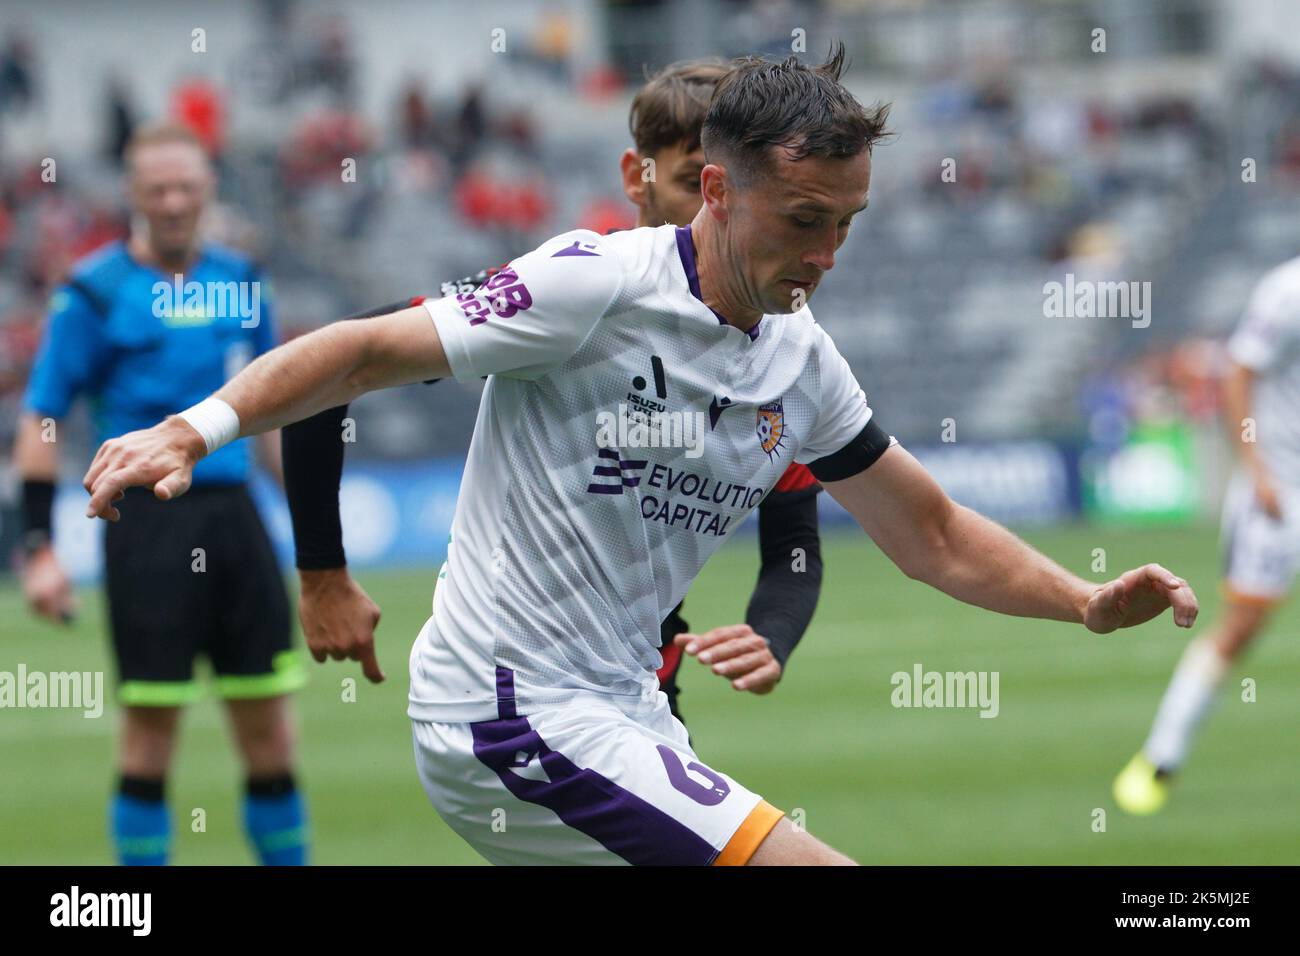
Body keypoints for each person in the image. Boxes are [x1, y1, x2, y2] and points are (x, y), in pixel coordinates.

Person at [82, 47, 1198, 866]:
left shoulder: (803, 360)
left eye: (847, 226)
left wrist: (1084, 601)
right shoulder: (595, 282)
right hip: (509, 708)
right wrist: (194, 427)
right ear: (715, 190)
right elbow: (361, 348)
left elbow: (935, 533)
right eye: (804, 219)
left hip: (626, 709)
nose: (825, 255)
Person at [281, 59, 822, 723]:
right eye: (693, 184)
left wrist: (771, 634)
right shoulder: (568, 293)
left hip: (641, 687)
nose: (720, 214)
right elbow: (336, 362)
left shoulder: (773, 347)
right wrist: (321, 572)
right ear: (635, 177)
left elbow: (794, 540)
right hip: (516, 690)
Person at [17, 123, 308, 865]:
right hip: (145, 527)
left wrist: (315, 534)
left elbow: (268, 411)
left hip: (236, 520)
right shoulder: (92, 291)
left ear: (209, 187)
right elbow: (44, 416)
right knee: (150, 733)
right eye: (157, 190)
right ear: (133, 195)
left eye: (186, 187)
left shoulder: (242, 280)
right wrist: (38, 548)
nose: (174, 202)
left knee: (270, 731)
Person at [1114, 256, 1300, 815]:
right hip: (1281, 489)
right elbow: (1238, 371)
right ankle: (1162, 754)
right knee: (1241, 627)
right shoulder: (1287, 289)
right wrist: (1256, 467)